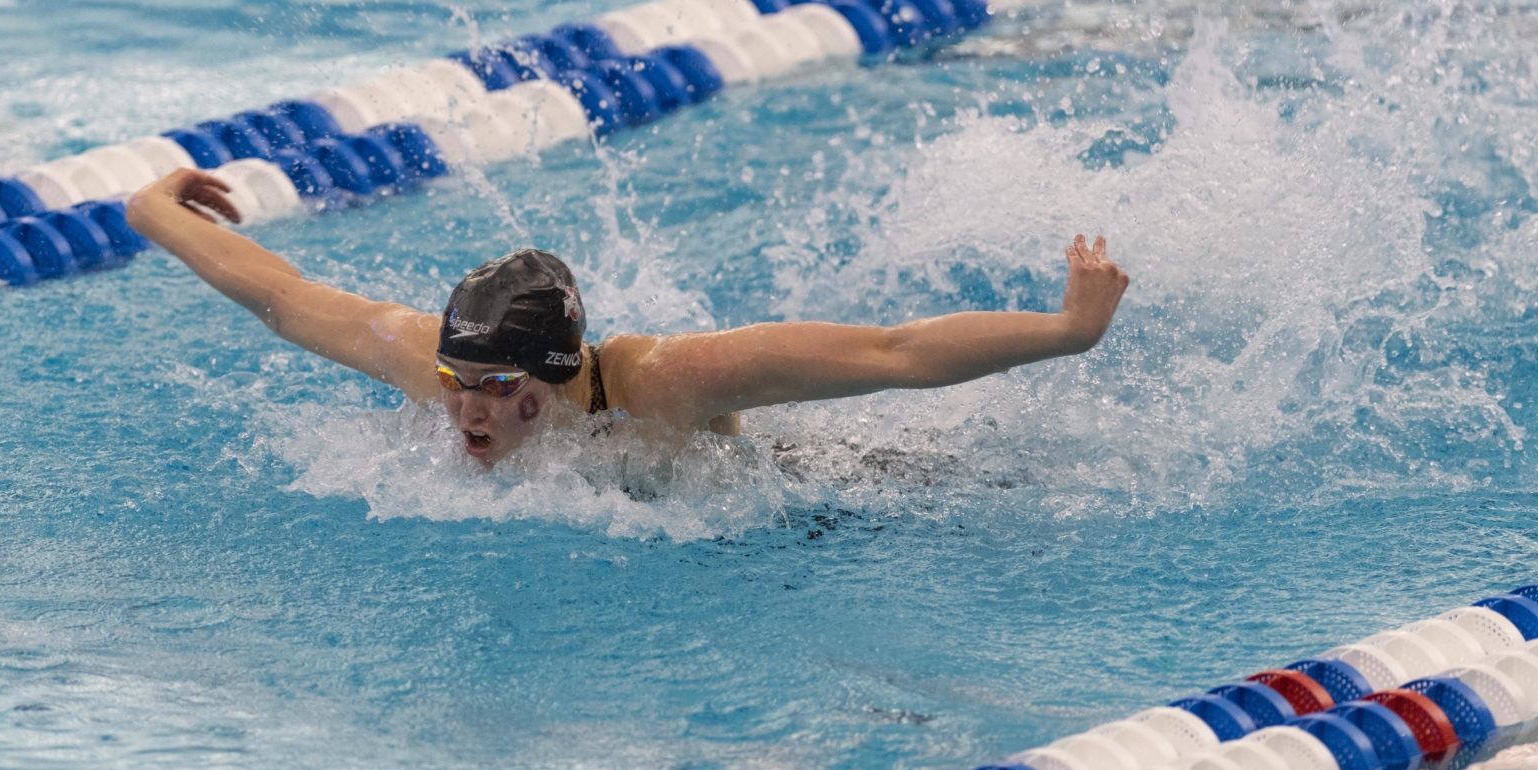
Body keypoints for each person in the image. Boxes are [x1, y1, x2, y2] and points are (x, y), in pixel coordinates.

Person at [126, 168, 1131, 468]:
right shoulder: (427, 362)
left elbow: (889, 351)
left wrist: (1065, 332)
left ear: (556, 375)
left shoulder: (670, 380)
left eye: (493, 391)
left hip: (799, 521)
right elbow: (283, 296)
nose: (465, 416)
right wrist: (147, 211)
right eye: (455, 385)